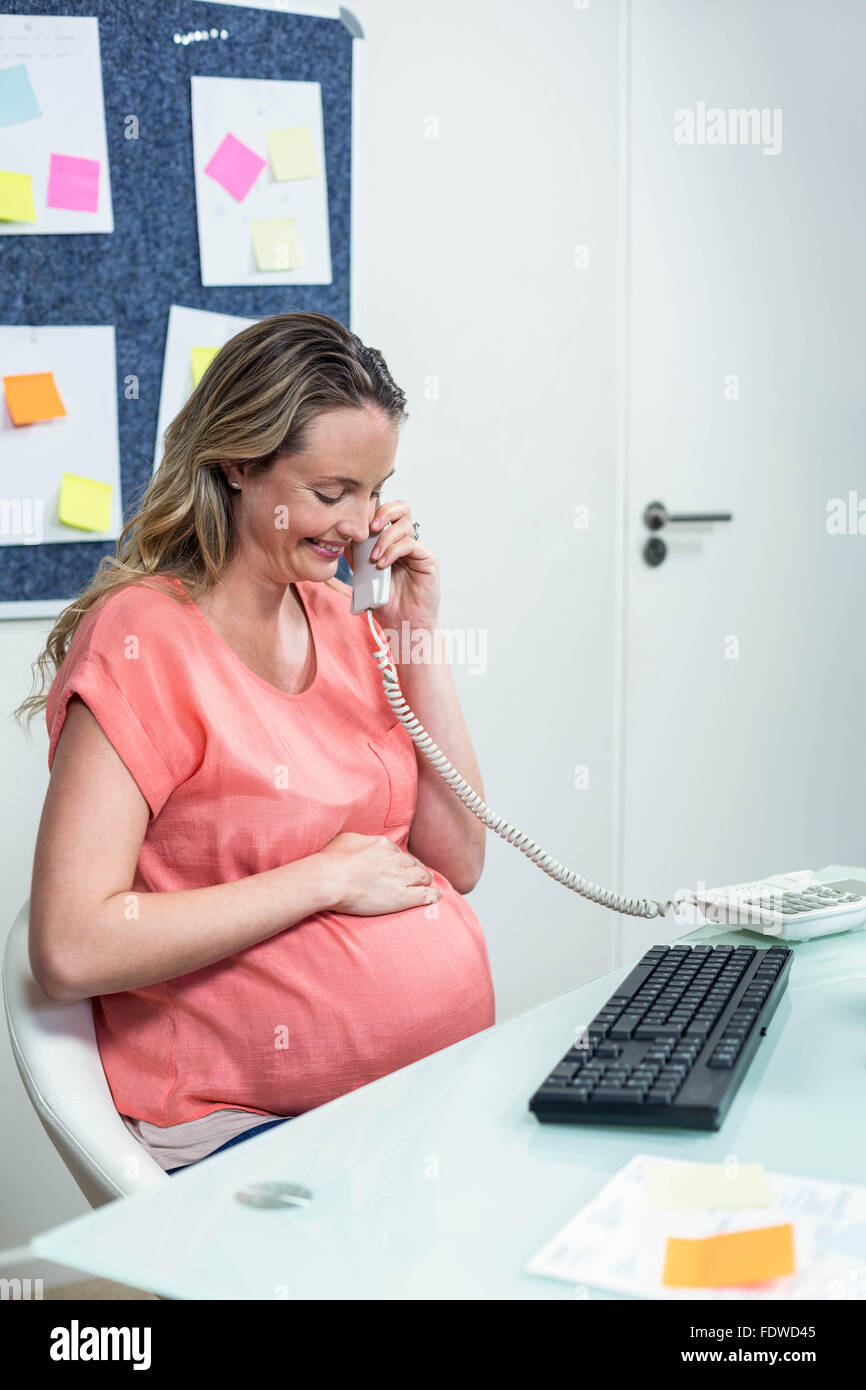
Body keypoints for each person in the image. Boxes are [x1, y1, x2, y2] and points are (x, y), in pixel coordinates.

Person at [19, 312, 495, 1174]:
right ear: (239, 463)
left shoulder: (346, 621)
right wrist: (322, 878)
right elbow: (70, 945)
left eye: (374, 489)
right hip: (249, 1126)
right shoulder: (143, 643)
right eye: (329, 492)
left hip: (417, 1099)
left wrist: (418, 635)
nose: (359, 526)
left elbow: (458, 860)